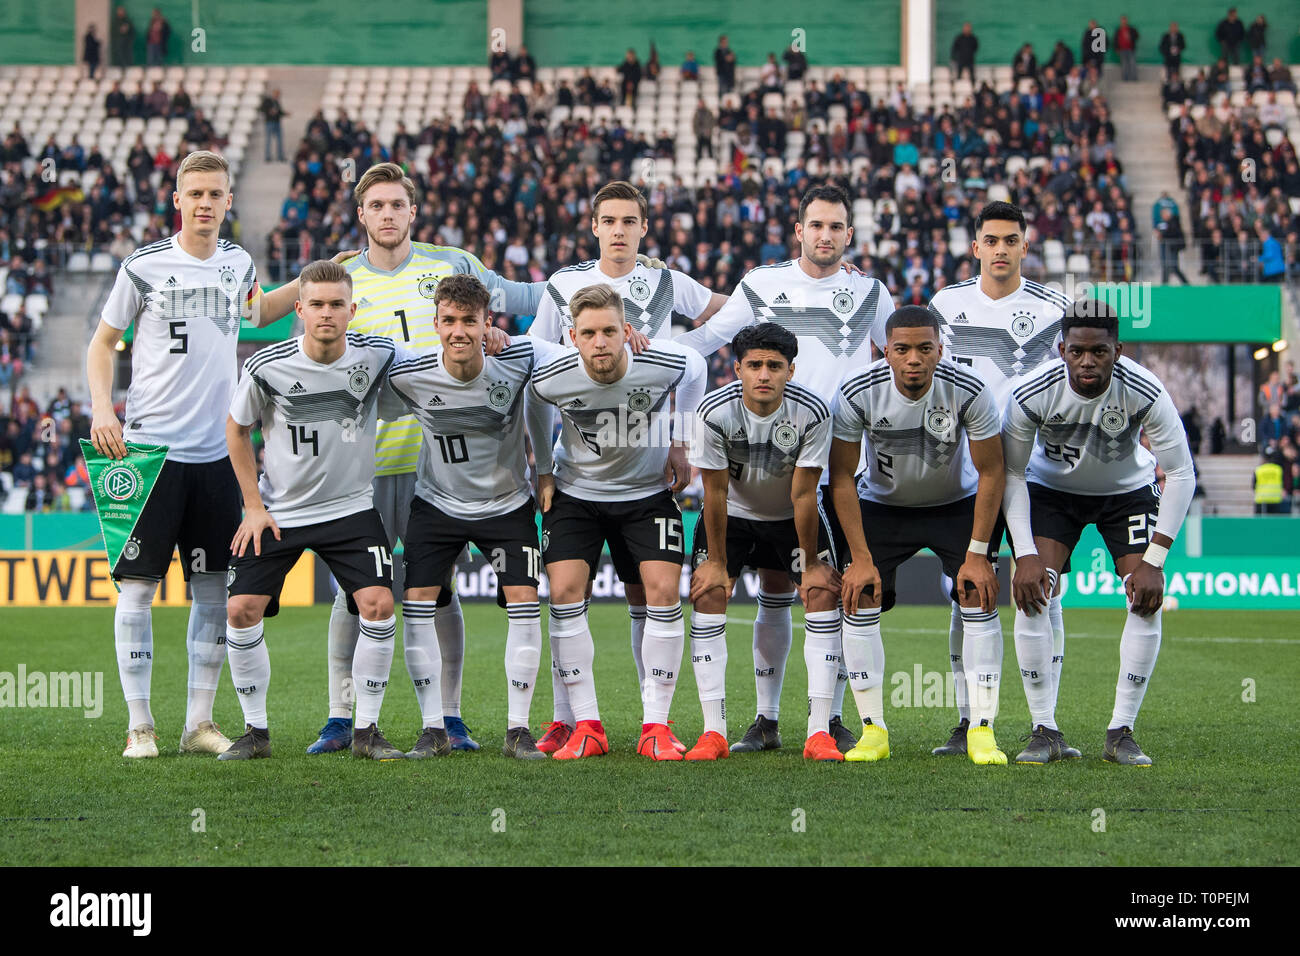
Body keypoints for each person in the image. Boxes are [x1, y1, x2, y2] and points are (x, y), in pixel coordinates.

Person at [85, 150, 320, 759]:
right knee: (136, 591)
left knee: (213, 591)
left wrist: (317, 275)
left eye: (217, 194)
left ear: (228, 203)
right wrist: (103, 408)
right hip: (148, 452)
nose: (207, 204)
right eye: (197, 195)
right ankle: (140, 724)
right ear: (178, 201)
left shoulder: (238, 263)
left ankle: (198, 722)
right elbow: (103, 344)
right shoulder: (144, 266)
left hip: (218, 455)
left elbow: (262, 312)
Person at [308, 162, 536, 756]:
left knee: (439, 591)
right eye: (376, 206)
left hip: (437, 461)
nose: (387, 215)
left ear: (413, 211)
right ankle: (341, 715)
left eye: (397, 205)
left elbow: (522, 298)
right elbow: (286, 312)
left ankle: (449, 718)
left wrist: (617, 277)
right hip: (363, 462)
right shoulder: (342, 276)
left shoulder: (451, 264)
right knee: (352, 594)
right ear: (361, 214)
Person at [676, 183, 897, 754]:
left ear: (850, 235)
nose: (826, 236)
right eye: (816, 225)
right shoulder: (762, 283)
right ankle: (766, 718)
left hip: (838, 470)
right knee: (775, 593)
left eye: (837, 227)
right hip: (758, 468)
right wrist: (644, 347)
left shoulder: (871, 292)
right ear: (798, 231)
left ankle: (833, 719)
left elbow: (902, 358)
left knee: (834, 591)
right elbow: (708, 340)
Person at [528, 180, 725, 755]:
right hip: (577, 486)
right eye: (608, 220)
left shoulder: (665, 307)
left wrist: (682, 442)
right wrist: (542, 470)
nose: (618, 229)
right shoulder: (561, 296)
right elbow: (534, 372)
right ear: (594, 227)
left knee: (658, 595)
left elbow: (695, 365)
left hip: (644, 484)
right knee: (564, 592)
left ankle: (654, 723)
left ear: (644, 228)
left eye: (629, 220)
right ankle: (576, 722)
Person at [222, 260, 407, 760]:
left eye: (336, 305)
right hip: (280, 511)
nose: (326, 314)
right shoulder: (267, 366)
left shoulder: (380, 356)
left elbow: (441, 360)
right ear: (299, 309)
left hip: (350, 509)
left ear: (352, 309)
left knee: (379, 604)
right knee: (240, 609)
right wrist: (253, 506)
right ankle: (255, 733)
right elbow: (236, 430)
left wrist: (493, 336)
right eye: (317, 305)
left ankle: (366, 731)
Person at [1002, 300, 1195, 765]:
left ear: (1117, 350)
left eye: (1100, 352)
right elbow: (1009, 473)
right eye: (1078, 352)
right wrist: (1025, 552)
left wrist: (1155, 559)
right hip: (1051, 491)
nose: (1088, 362)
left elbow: (1182, 473)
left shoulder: (1145, 389)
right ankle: (1043, 729)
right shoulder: (1031, 391)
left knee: (1145, 599)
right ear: (1062, 350)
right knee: (1034, 592)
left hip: (1125, 494)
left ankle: (1121, 731)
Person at [385, 274, 563, 758]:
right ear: (435, 323)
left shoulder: (520, 359)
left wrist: (545, 469)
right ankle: (433, 729)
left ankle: (518, 730)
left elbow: (567, 364)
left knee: (525, 599)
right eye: (449, 321)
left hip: (507, 504)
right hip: (436, 504)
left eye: (470, 320)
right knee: (419, 601)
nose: (458, 331)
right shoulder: (410, 373)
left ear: (488, 323)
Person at [925, 199, 1074, 758]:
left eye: (1012, 240)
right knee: (970, 591)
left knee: (1044, 593)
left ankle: (1046, 725)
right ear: (976, 246)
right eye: (992, 239)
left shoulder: (1055, 307)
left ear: (1024, 246)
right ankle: (970, 721)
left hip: (1037, 471)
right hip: (971, 471)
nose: (1001, 249)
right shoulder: (946, 305)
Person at [830, 306, 1007, 764]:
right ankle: (874, 731)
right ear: (884, 351)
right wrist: (859, 556)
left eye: (925, 348)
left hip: (956, 505)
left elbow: (992, 471)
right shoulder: (855, 392)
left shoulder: (969, 389)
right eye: (903, 349)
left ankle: (982, 730)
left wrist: (978, 553)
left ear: (940, 351)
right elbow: (843, 476)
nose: (914, 359)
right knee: (860, 594)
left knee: (976, 592)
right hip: (882, 507)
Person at [687, 323, 843, 762]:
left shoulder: (812, 412)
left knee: (819, 592)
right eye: (754, 365)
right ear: (737, 368)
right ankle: (713, 732)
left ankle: (818, 733)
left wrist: (811, 562)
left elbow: (803, 494)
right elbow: (714, 493)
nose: (763, 374)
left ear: (790, 370)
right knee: (710, 592)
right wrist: (716, 561)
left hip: (790, 517)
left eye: (774, 366)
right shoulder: (713, 412)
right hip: (732, 515)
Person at [1154, 205, 1189, 284]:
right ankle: (1165, 285)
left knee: (1173, 267)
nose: (1162, 216)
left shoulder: (1173, 220)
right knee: (1168, 267)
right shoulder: (1169, 222)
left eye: (1163, 214)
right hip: (1169, 248)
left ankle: (1186, 284)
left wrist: (1162, 235)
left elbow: (1172, 232)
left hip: (1173, 248)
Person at [260, 88, 287, 163]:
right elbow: (262, 109)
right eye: (277, 94)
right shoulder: (268, 101)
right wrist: (269, 111)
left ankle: (280, 156)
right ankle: (267, 156)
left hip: (277, 122)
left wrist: (285, 114)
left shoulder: (277, 102)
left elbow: (279, 112)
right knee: (268, 140)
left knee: (280, 140)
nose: (277, 95)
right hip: (269, 122)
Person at [1116, 16, 1139, 82]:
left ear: (1127, 21)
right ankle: (1125, 79)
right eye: (1122, 20)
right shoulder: (1119, 30)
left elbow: (1137, 36)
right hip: (1122, 50)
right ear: (1121, 21)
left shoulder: (1131, 29)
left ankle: (1134, 79)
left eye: (1125, 20)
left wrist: (1130, 37)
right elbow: (1116, 40)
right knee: (1124, 65)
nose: (1124, 22)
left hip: (1130, 49)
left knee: (1132, 64)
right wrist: (1117, 48)